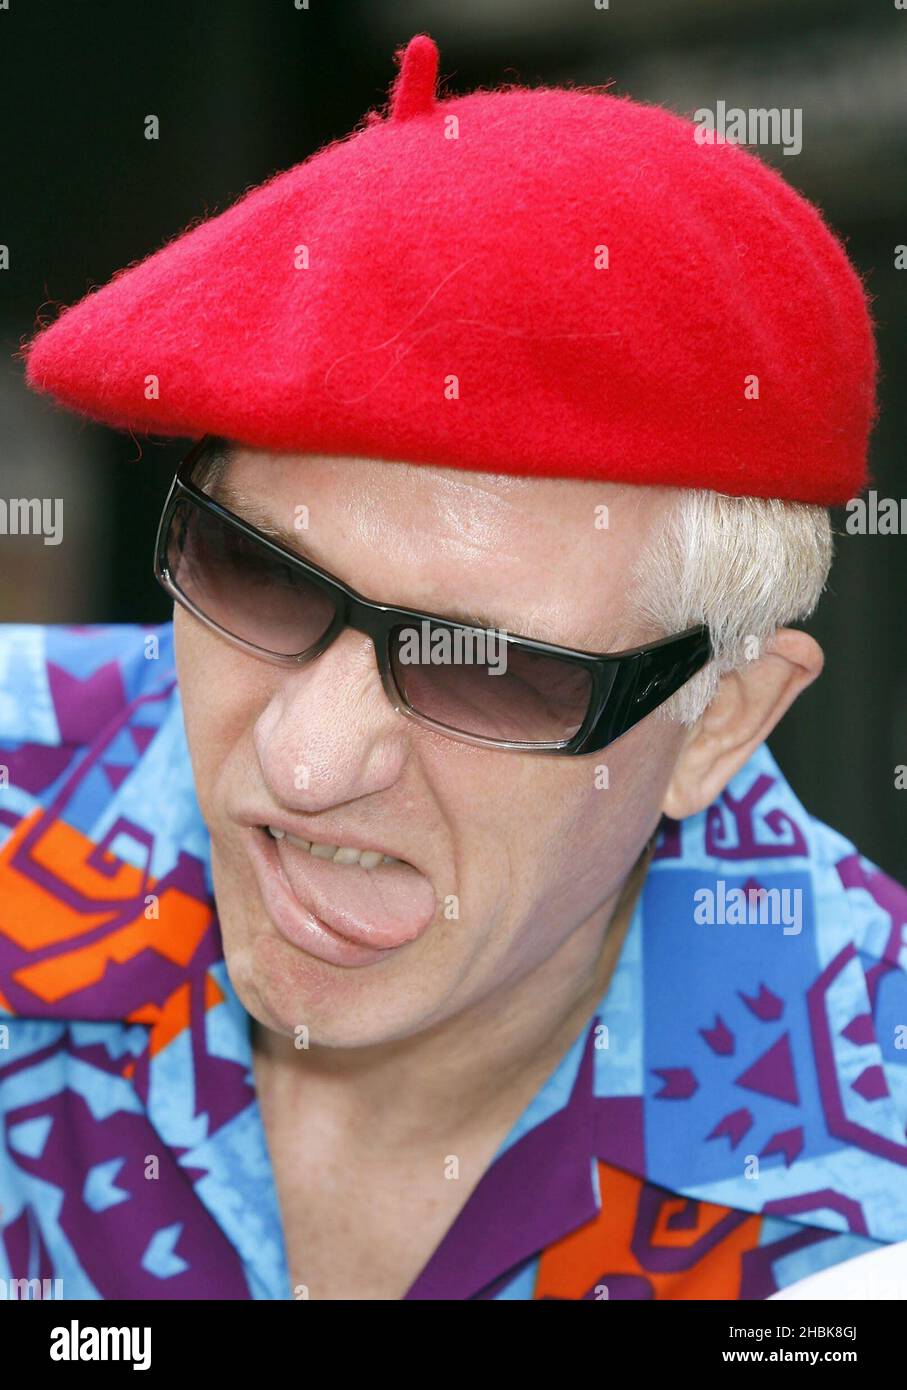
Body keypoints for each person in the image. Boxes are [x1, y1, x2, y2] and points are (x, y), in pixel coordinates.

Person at [1, 34, 905, 1302]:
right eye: (255, 571)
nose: (303, 763)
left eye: (486, 669)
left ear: (718, 723)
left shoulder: (871, 1196)